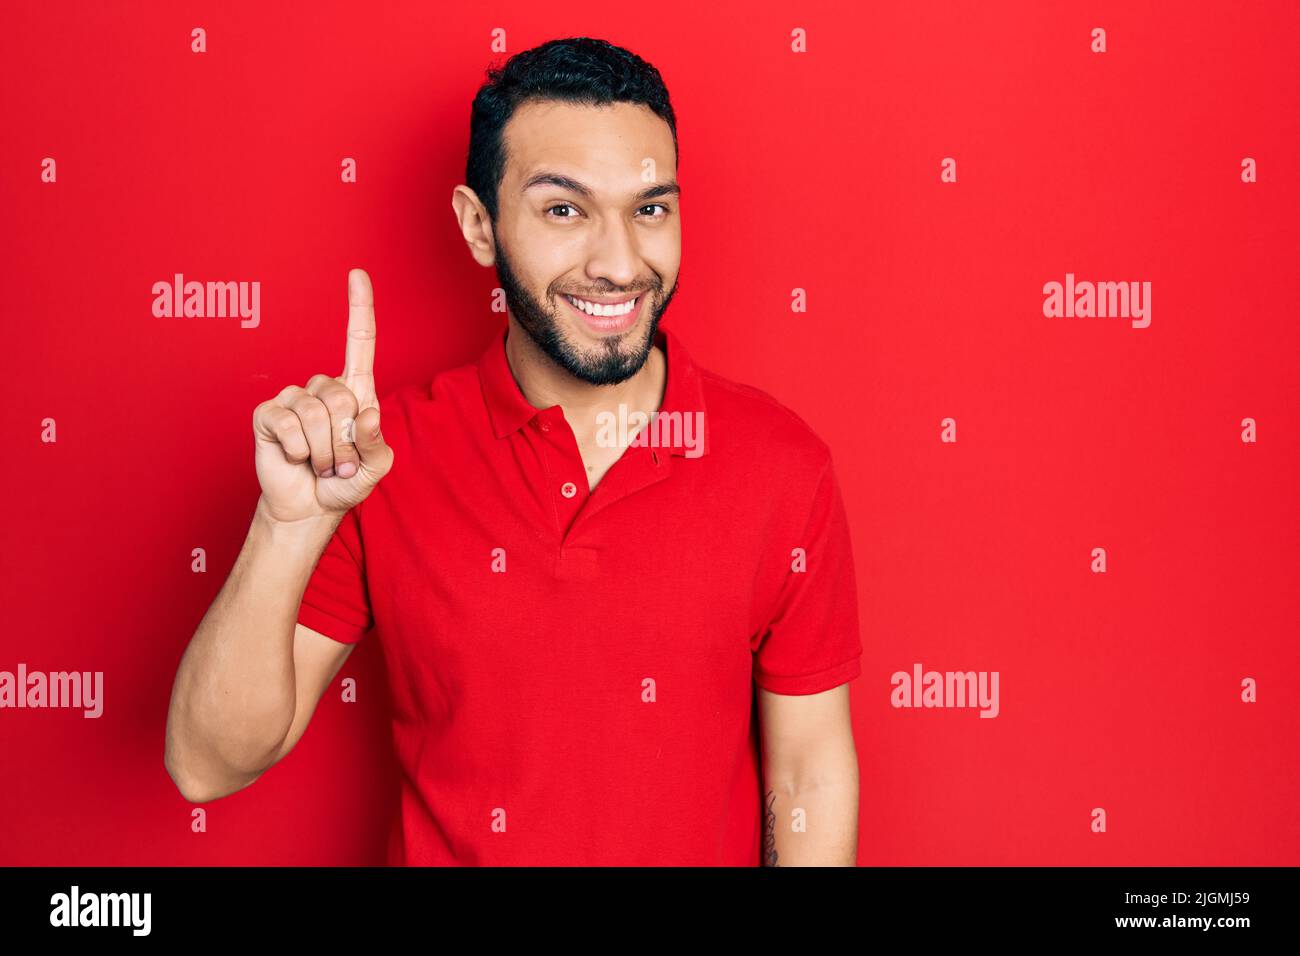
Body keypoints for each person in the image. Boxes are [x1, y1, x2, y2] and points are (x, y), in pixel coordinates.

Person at [165, 36, 862, 866]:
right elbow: (207, 766)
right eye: (563, 209)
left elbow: (809, 766)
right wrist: (287, 527)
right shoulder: (379, 460)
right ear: (478, 225)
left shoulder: (782, 466)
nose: (618, 263)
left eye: (650, 208)